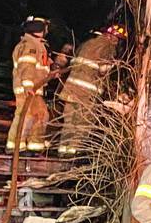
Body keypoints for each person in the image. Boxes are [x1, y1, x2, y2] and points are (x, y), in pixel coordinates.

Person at [57, 23, 126, 156]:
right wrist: (115, 65)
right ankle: (74, 154)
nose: (118, 44)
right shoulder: (108, 48)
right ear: (115, 38)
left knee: (69, 122)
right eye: (119, 40)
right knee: (84, 124)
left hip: (71, 89)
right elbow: (102, 70)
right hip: (86, 93)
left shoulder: (88, 43)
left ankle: (63, 152)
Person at [7, 16, 51, 153]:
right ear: (39, 29)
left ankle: (33, 145)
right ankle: (16, 146)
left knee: (39, 115)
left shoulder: (36, 44)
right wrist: (28, 86)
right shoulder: (30, 45)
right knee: (26, 116)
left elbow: (38, 68)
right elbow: (27, 66)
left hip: (34, 88)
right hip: (29, 89)